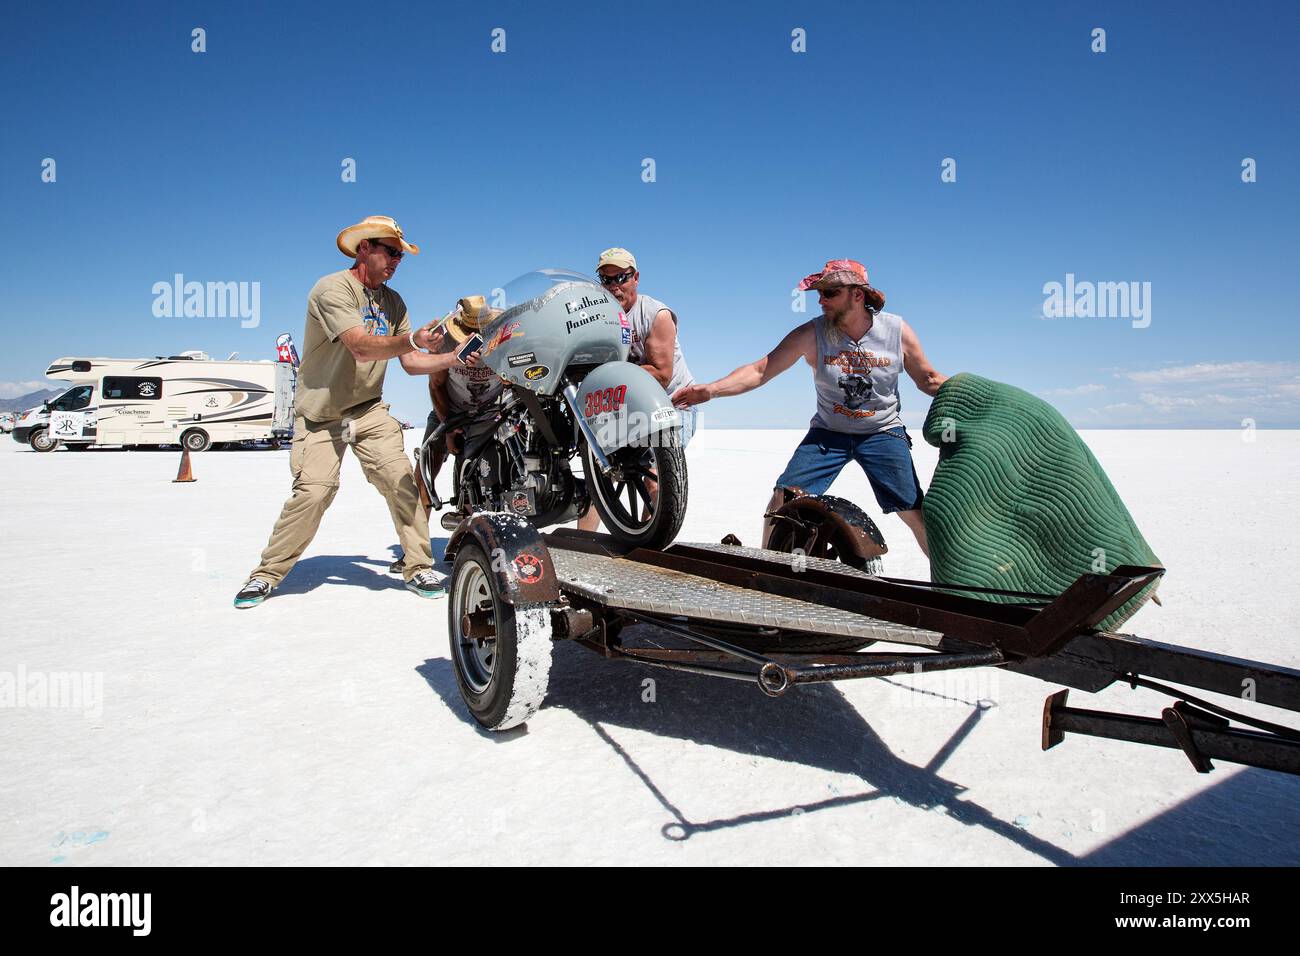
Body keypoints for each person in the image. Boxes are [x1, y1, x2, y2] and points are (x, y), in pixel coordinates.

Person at [233, 216, 466, 608]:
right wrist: (411, 338)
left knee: (401, 480)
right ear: (364, 249)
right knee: (315, 492)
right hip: (320, 416)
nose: (395, 261)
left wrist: (452, 357)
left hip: (369, 411)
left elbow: (409, 362)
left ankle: (417, 564)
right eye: (389, 251)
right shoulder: (331, 290)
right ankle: (267, 574)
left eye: (400, 255)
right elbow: (360, 345)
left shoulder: (394, 302)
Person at [672, 258, 946, 555]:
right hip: (829, 435)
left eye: (829, 293)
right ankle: (769, 564)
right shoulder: (812, 334)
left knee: (913, 510)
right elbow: (761, 370)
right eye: (819, 293)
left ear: (857, 294)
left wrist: (981, 396)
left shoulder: (895, 331)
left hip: (882, 432)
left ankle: (949, 585)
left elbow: (928, 379)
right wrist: (711, 390)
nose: (820, 300)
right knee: (783, 498)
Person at [578, 247, 697, 532]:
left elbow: (662, 375)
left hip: (672, 406)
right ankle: (582, 545)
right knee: (601, 469)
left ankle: (649, 541)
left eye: (621, 277)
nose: (615, 286)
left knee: (654, 471)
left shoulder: (655, 314)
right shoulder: (598, 319)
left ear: (636, 277)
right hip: (625, 410)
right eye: (607, 280)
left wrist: (608, 378)